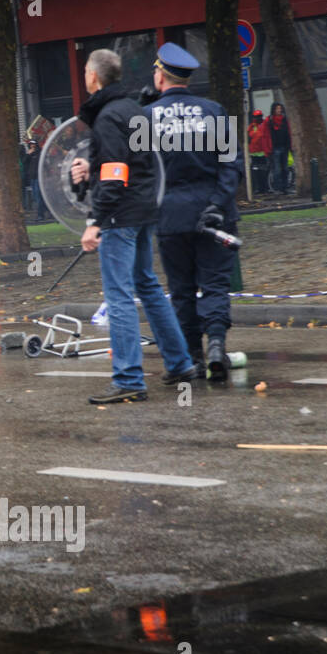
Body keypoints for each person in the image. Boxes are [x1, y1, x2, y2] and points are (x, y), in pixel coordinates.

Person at [68, 48, 197, 404]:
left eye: (85, 72)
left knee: (119, 296)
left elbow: (115, 173)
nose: (84, 77)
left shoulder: (108, 116)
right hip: (142, 211)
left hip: (119, 215)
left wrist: (95, 221)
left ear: (93, 76)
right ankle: (180, 362)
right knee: (149, 287)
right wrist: (88, 169)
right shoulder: (131, 110)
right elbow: (137, 164)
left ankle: (128, 378)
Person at [144, 42, 242, 381]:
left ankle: (193, 357)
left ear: (160, 76)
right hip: (214, 216)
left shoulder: (147, 117)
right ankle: (217, 346)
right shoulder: (213, 110)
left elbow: (142, 172)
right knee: (215, 285)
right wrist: (218, 204)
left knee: (182, 289)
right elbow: (231, 164)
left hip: (170, 217)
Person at [265, 103, 292, 194]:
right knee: (277, 169)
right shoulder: (269, 121)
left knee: (285, 168)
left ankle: (285, 187)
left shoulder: (284, 120)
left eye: (280, 108)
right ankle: (278, 188)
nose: (279, 110)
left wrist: (289, 145)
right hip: (275, 148)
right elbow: (266, 135)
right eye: (277, 109)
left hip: (284, 146)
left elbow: (288, 132)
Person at [246, 109, 270, 194]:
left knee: (264, 171)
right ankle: (259, 188)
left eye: (259, 116)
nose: (258, 118)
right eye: (256, 117)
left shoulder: (264, 125)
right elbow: (250, 137)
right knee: (256, 171)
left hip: (262, 152)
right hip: (254, 153)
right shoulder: (252, 126)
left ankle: (264, 188)